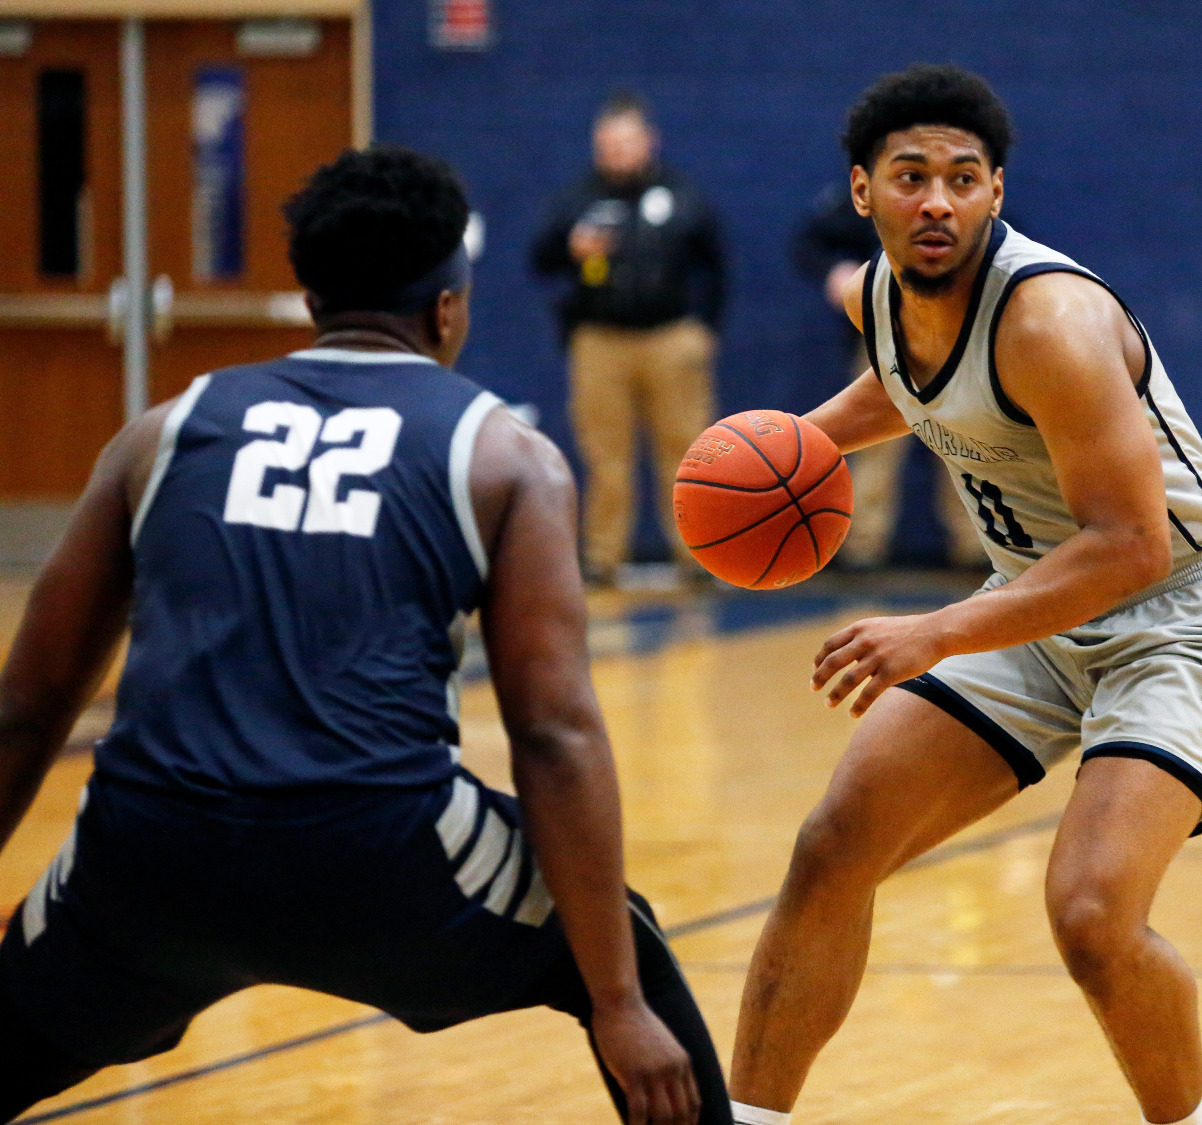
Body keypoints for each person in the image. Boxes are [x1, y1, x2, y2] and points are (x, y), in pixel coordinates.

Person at [0, 146, 729, 1125]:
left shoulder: (162, 432)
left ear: (312, 300)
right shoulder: (502, 454)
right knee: (623, 942)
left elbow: (28, 704)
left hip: (153, 855)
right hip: (377, 858)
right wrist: (619, 1004)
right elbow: (553, 733)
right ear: (447, 309)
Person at [728, 66, 1202, 1125]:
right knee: (835, 844)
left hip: (1182, 616)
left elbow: (1131, 547)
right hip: (1037, 603)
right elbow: (908, 386)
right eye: (910, 177)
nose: (936, 201)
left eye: (962, 178)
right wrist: (792, 450)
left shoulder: (1050, 322)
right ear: (863, 192)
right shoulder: (882, 297)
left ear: (996, 190)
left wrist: (935, 632)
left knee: (1091, 914)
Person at [532, 92, 727, 587]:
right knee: (606, 459)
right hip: (601, 340)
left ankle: (696, 558)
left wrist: (705, 328)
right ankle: (602, 559)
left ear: (649, 141)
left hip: (670, 338)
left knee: (685, 453)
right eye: (608, 144)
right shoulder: (577, 199)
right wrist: (569, 249)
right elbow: (540, 260)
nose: (617, 152)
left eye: (627, 141)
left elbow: (716, 264)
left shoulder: (681, 194)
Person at [792, 181, 988, 571]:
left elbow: (1001, 247)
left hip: (953, 336)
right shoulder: (872, 196)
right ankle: (863, 548)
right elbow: (810, 241)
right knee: (873, 443)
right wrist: (835, 270)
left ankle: (977, 545)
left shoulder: (965, 196)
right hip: (885, 334)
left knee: (965, 440)